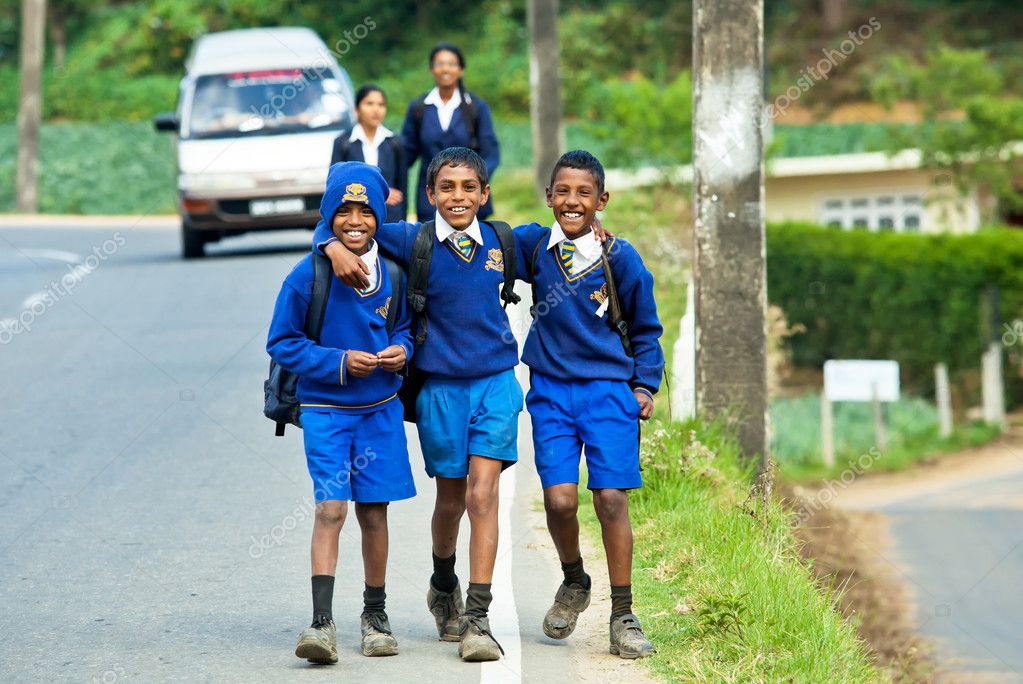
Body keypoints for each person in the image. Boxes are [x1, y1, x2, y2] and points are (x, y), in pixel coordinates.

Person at [313, 148, 521, 663]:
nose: (458, 196)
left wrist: (603, 231)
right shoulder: (413, 239)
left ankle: (478, 617)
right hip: (439, 391)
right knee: (451, 500)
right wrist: (328, 247)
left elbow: (571, 229)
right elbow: (348, 224)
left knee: (483, 495)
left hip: (496, 382)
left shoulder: (505, 240)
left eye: (469, 187)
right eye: (446, 187)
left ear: (484, 194)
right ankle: (443, 580)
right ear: (429, 195)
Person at [513, 150, 664, 659]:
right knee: (558, 500)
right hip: (552, 391)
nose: (572, 201)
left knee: (611, 500)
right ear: (549, 196)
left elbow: (646, 329)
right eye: (562, 191)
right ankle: (574, 579)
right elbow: (472, 235)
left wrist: (644, 388)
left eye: (583, 193)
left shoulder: (621, 258)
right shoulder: (534, 246)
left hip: (607, 392)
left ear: (601, 200)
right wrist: (332, 243)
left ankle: (623, 615)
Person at [267, 162, 416, 664]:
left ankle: (375, 615)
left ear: (381, 216)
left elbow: (405, 327)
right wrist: (336, 362)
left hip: (380, 411)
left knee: (374, 513)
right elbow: (282, 342)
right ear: (327, 217)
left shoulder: (393, 271)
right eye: (343, 211)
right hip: (326, 409)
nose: (355, 221)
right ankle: (321, 623)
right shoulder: (308, 272)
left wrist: (401, 350)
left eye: (366, 211)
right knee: (331, 508)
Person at [401, 42, 500, 222]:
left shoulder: (475, 107)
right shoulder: (419, 108)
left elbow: (491, 153)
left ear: (461, 70)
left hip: (470, 202)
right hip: (430, 201)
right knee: (431, 248)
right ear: (432, 69)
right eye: (440, 63)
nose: (445, 68)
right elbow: (405, 153)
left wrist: (473, 184)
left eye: (452, 64)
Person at [329, 84, 408, 222]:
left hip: (389, 218)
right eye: (369, 104)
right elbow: (335, 185)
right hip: (354, 219)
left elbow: (402, 189)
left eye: (381, 105)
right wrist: (379, 194)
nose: (376, 110)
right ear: (357, 109)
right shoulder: (343, 143)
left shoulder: (395, 143)